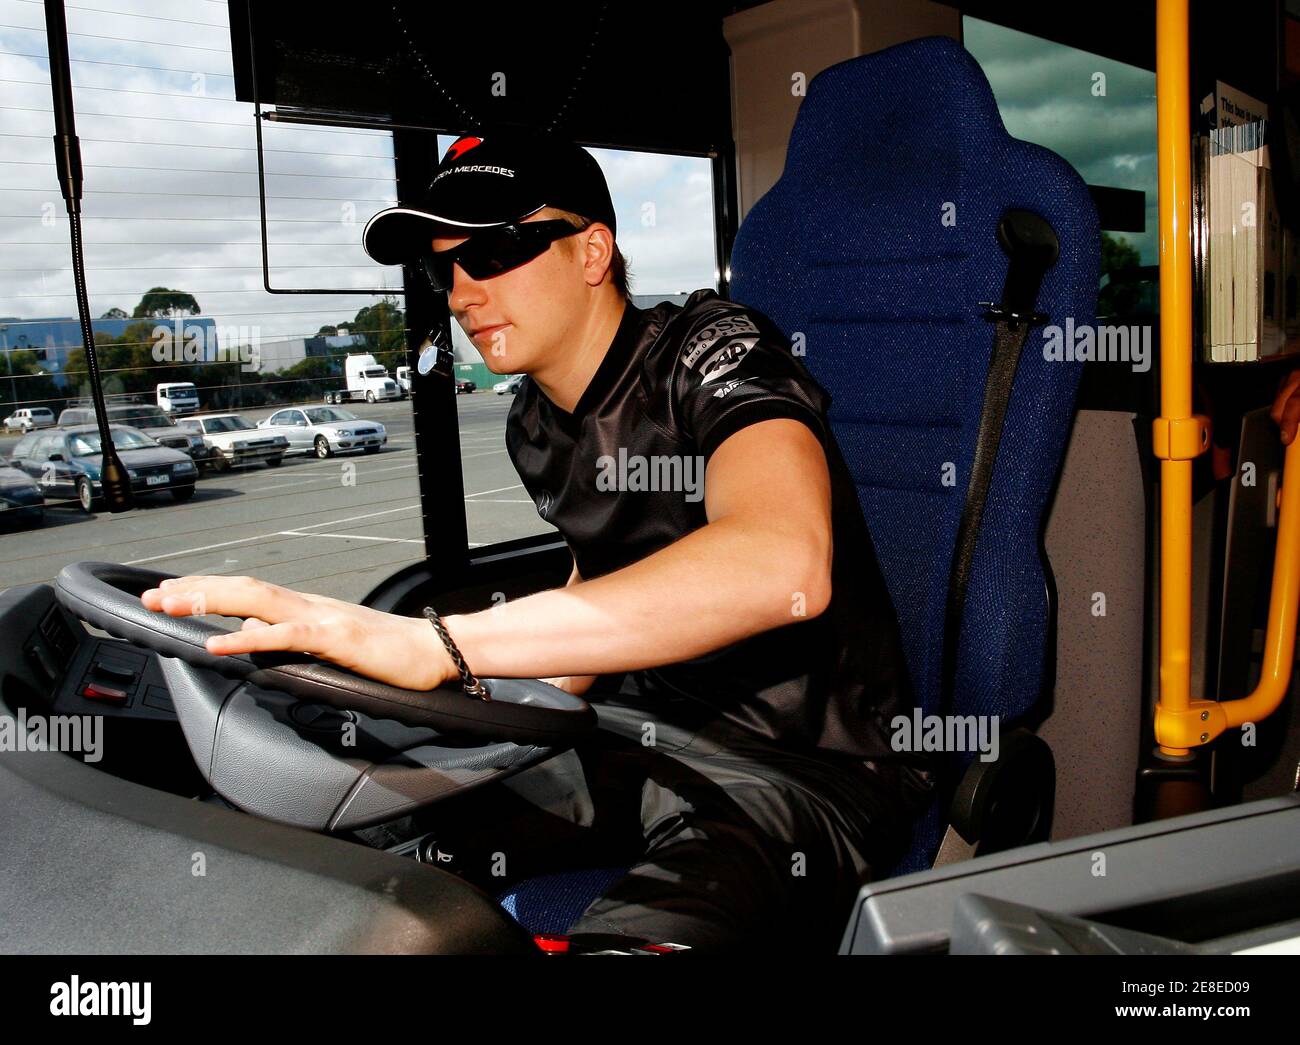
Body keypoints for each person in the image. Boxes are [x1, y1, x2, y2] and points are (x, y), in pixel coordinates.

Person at [140, 129, 934, 952]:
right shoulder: (532, 424)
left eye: (491, 252)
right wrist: (480, 716)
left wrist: (443, 645)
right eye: (439, 267)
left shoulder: (710, 350)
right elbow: (603, 568)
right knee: (357, 845)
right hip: (639, 733)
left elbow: (781, 561)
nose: (458, 291)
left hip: (808, 770)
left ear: (592, 251)